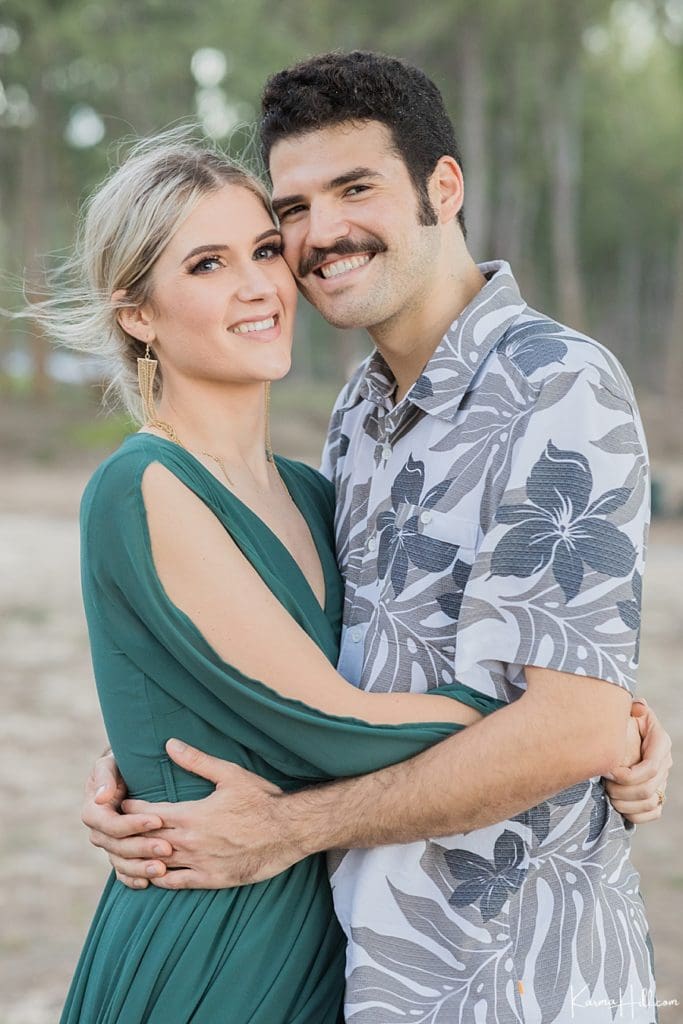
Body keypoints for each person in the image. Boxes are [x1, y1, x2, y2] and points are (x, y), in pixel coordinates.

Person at [80, 54, 672, 1023]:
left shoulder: (560, 386)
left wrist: (591, 724)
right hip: (359, 962)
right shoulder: (354, 424)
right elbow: (327, 683)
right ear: (138, 311)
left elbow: (567, 714)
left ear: (444, 186)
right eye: (294, 211)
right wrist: (146, 768)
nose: (315, 238)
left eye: (354, 188)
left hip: (516, 972)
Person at [45, 132, 533, 1023]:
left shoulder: (316, 491)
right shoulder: (141, 484)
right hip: (214, 943)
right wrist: (558, 730)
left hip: (336, 930)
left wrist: (595, 718)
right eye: (206, 264)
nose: (260, 285)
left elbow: (389, 671)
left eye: (265, 249)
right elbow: (333, 726)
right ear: (137, 313)